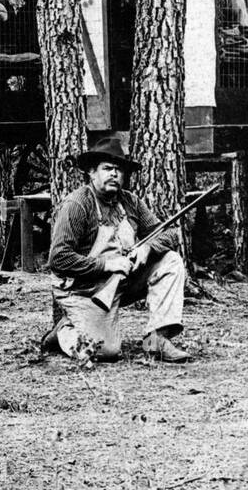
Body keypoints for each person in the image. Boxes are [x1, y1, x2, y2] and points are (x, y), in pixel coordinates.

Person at [45, 138, 190, 363]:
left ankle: (156, 341)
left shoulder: (131, 202)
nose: (114, 174)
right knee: (105, 351)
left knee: (170, 261)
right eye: (107, 168)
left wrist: (148, 249)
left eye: (119, 170)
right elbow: (58, 258)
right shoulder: (77, 205)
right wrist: (107, 264)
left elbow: (169, 234)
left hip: (120, 282)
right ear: (91, 173)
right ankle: (64, 330)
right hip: (83, 290)